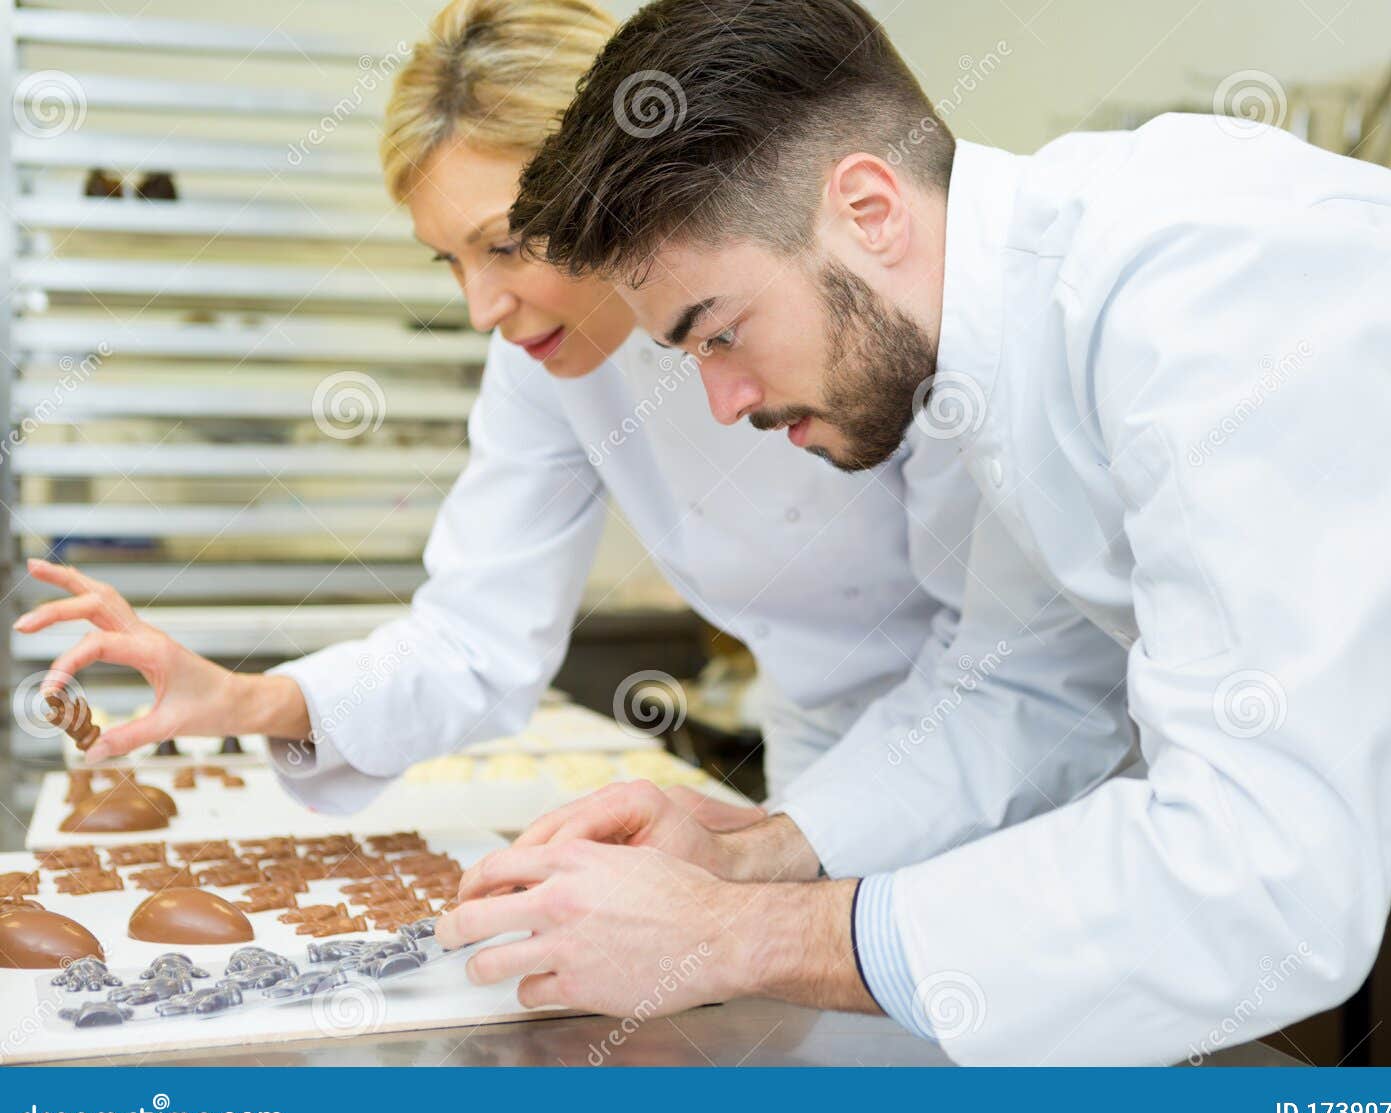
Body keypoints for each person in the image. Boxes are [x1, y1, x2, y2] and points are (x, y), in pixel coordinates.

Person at [444, 0, 1391, 1066]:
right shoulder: (1009, 345)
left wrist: (741, 934)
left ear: (867, 209)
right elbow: (1021, 687)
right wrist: (752, 848)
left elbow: (1264, 871)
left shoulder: (1214, 281)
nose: (724, 403)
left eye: (719, 333)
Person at [17, 0, 1130, 852]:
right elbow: (475, 637)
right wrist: (254, 696)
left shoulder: (858, 315)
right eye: (449, 260)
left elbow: (1004, 663)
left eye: (506, 245)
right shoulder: (550, 363)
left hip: (1018, 759)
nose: (481, 308)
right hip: (831, 746)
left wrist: (791, 855)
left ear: (619, 189)